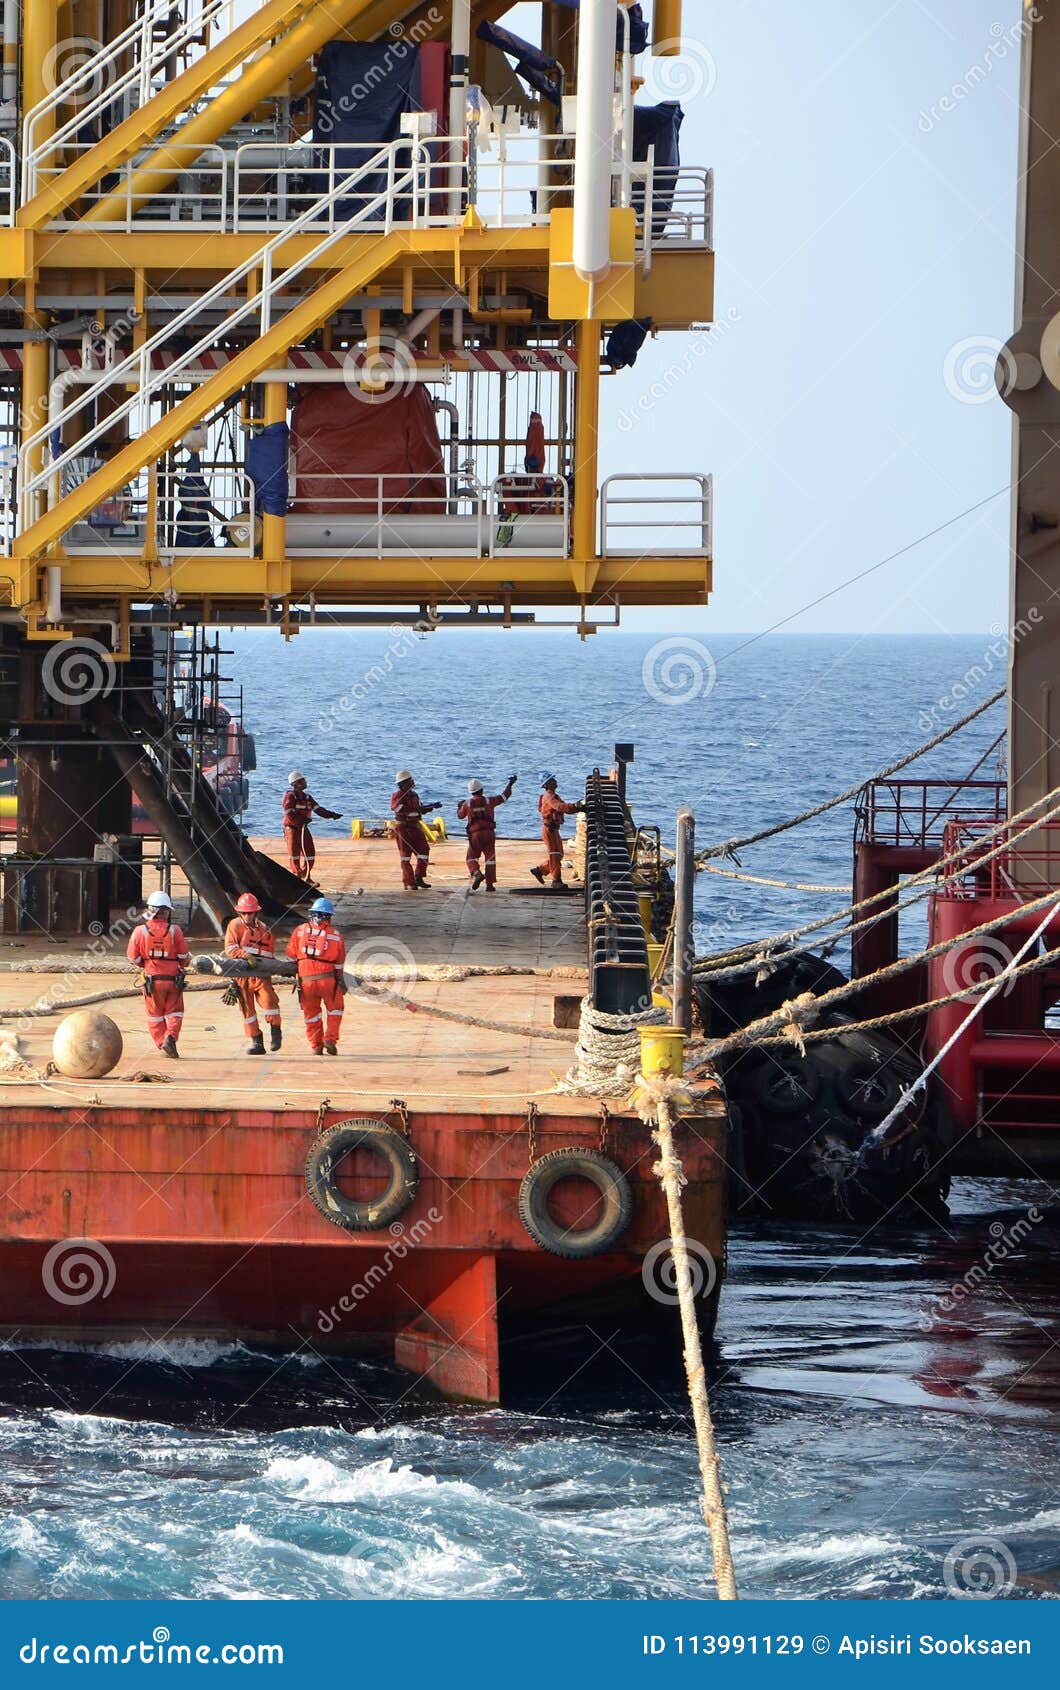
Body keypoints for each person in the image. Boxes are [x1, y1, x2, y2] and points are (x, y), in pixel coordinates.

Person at [126, 888, 190, 1058]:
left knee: (154, 1016)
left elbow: (133, 957)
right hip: (173, 979)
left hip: (151, 981)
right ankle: (171, 1038)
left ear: (150, 910)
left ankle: (163, 1043)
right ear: (166, 912)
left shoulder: (140, 931)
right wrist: (180, 964)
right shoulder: (175, 931)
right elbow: (184, 957)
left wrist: (145, 965)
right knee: (175, 1012)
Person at [286, 896, 346, 1055]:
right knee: (336, 1009)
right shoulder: (336, 935)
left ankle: (316, 1046)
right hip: (328, 980)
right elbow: (339, 963)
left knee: (311, 1014)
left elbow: (291, 955)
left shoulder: (299, 931)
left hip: (306, 981)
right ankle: (330, 1039)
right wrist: (339, 981)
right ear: (329, 916)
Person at [224, 892, 282, 1056]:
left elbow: (270, 954)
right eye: (244, 913)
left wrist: (279, 968)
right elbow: (230, 948)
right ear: (239, 913)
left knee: (270, 1003)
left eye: (250, 913)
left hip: (261, 976)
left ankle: (276, 1034)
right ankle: (257, 1042)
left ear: (256, 912)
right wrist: (245, 955)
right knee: (247, 1011)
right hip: (242, 976)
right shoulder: (234, 926)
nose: (247, 916)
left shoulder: (265, 930)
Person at [457, 774, 516, 890]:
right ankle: (489, 885)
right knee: (490, 859)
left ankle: (476, 873)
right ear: (482, 790)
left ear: (471, 792)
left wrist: (459, 806)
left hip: (475, 835)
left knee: (471, 857)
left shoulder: (467, 804)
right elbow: (504, 796)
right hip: (489, 834)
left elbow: (460, 815)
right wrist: (510, 784)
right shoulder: (490, 801)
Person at [282, 770, 341, 882]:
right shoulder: (290, 796)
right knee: (294, 854)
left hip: (303, 828)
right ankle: (297, 876)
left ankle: (306, 876)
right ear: (296, 783)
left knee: (309, 853)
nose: (305, 782)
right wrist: (300, 821)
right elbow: (288, 813)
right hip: (292, 829)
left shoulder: (307, 797)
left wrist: (331, 815)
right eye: (303, 780)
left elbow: (318, 809)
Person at [391, 768, 441, 890]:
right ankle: (409, 881)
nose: (413, 782)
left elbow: (419, 809)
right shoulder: (398, 795)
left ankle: (419, 877)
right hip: (403, 827)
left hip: (415, 826)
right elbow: (395, 808)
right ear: (403, 783)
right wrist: (406, 801)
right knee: (405, 856)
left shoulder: (414, 795)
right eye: (409, 780)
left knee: (424, 851)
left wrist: (431, 807)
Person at [531, 772, 584, 889]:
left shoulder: (554, 796)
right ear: (547, 784)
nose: (555, 781)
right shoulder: (549, 797)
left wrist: (577, 807)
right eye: (552, 780)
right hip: (549, 829)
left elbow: (564, 806)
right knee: (554, 854)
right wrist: (576, 806)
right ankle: (556, 880)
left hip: (553, 829)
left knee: (559, 854)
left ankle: (540, 870)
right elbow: (560, 807)